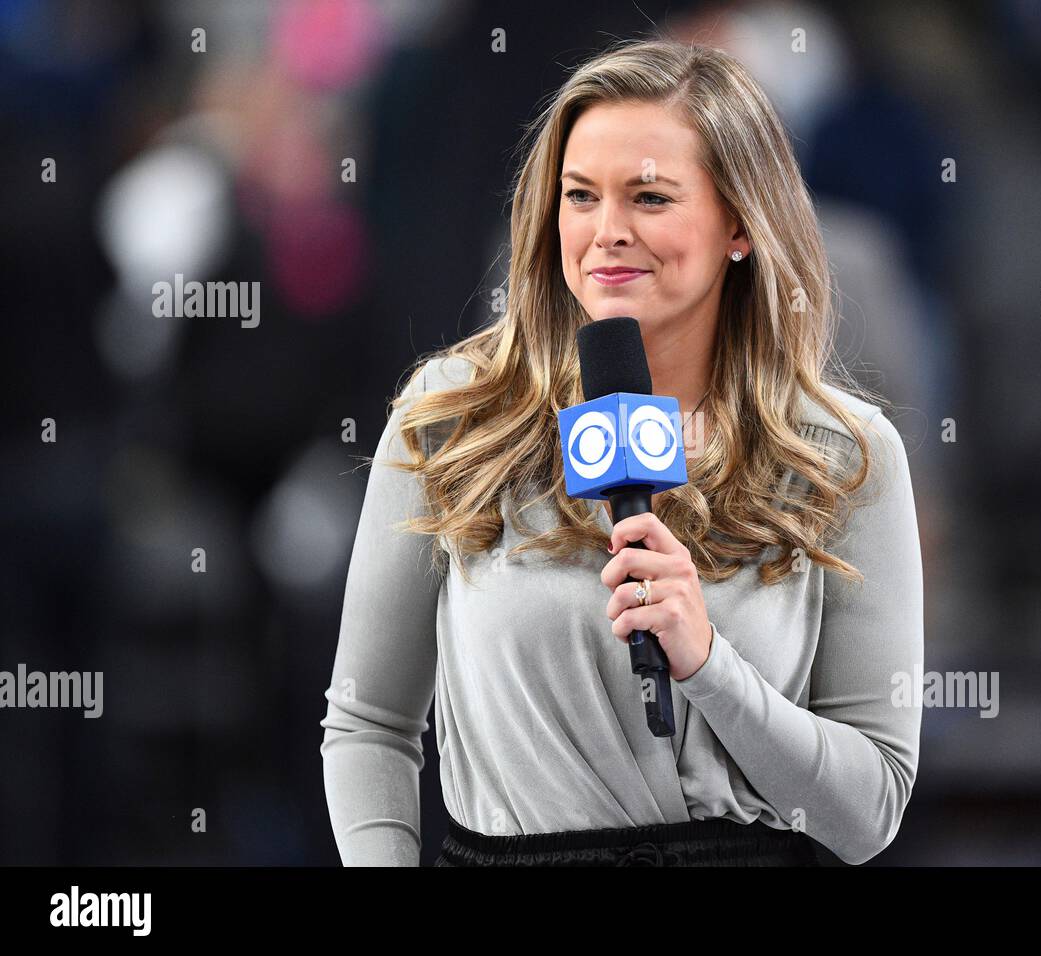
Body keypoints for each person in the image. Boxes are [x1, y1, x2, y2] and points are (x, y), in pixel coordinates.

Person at [319, 37, 924, 867]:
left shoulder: (844, 456)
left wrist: (710, 663)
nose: (607, 232)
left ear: (740, 223)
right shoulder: (452, 418)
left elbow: (868, 814)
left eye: (649, 196)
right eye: (579, 196)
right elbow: (369, 724)